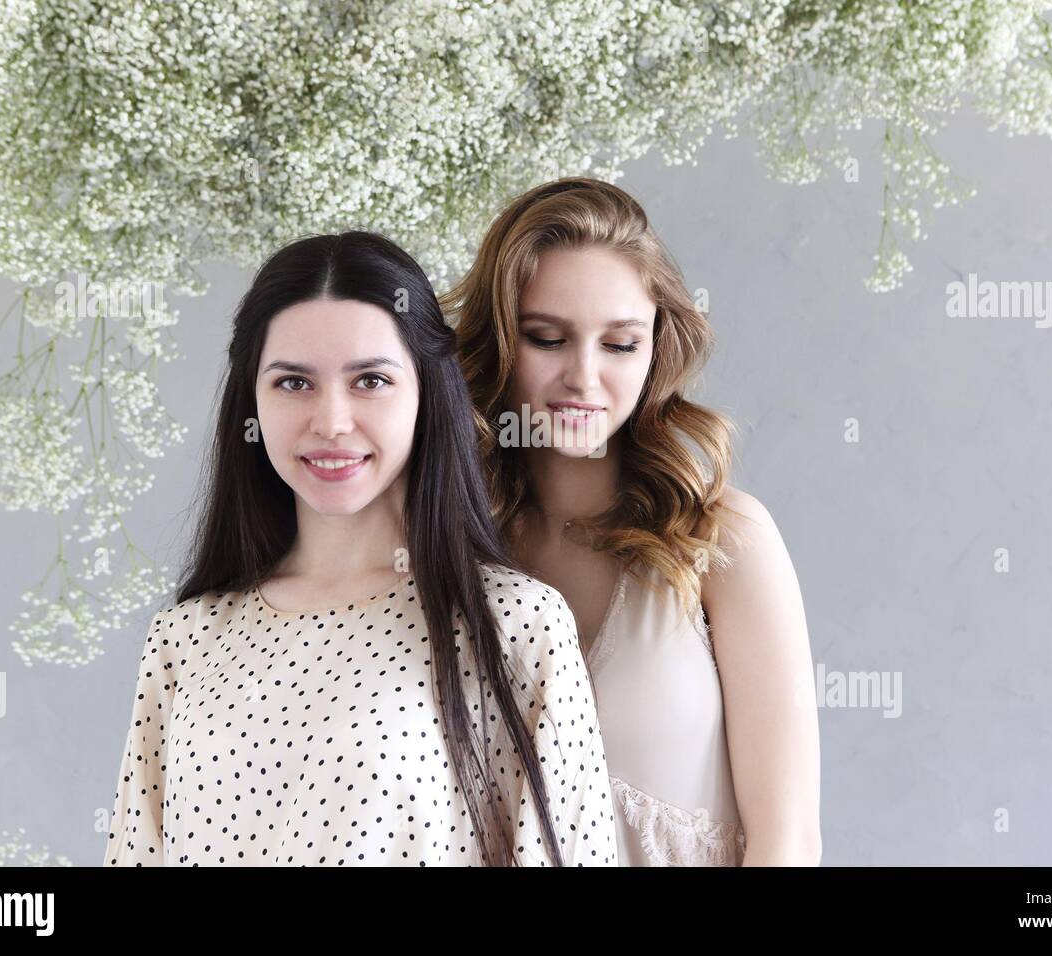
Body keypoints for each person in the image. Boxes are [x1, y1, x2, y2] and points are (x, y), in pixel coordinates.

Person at [102, 231, 617, 866]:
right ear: (253, 402)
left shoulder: (515, 624)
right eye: (293, 384)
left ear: (427, 395)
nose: (332, 421)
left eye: (370, 379)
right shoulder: (186, 637)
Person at [442, 179, 821, 866]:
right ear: (498, 341)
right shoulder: (447, 548)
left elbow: (787, 837)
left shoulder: (722, 538)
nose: (583, 378)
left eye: (619, 344)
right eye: (546, 338)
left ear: (656, 350)